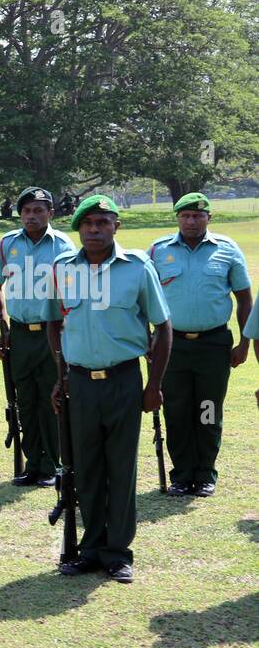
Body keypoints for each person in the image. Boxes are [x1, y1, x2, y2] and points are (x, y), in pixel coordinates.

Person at [47, 194, 171, 584]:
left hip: (123, 380)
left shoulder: (137, 267)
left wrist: (154, 385)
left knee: (121, 468)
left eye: (103, 222)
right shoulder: (63, 268)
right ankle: (90, 547)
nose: (95, 230)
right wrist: (61, 373)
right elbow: (54, 322)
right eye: (88, 224)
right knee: (86, 468)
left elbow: (162, 327)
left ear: (116, 226)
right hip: (80, 383)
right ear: (79, 229)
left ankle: (118, 552)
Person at [147, 192, 252, 497]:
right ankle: (181, 475)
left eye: (198, 215)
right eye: (185, 216)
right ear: (177, 218)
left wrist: (244, 342)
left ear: (209, 217)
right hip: (172, 347)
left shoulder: (227, 250)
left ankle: (205, 472)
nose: (191, 221)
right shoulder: (157, 251)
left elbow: (244, 300)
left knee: (208, 410)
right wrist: (146, 340)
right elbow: (142, 299)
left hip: (213, 346)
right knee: (176, 411)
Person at [0, 186, 75, 486]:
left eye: (38, 210)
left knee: (53, 398)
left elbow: (75, 291)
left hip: (54, 333)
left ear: (50, 212)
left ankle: (53, 464)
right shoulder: (7, 244)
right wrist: (2, 326)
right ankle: (32, 463)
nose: (31, 216)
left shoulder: (64, 245)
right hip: (20, 335)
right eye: (26, 211)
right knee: (25, 400)